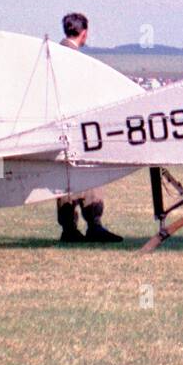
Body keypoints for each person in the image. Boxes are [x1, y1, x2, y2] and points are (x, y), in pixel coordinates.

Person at [55, 12, 123, 244]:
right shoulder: (75, 60)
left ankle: (69, 228)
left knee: (66, 178)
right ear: (84, 33)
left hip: (60, 127)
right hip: (76, 128)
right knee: (87, 173)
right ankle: (93, 225)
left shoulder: (54, 55)